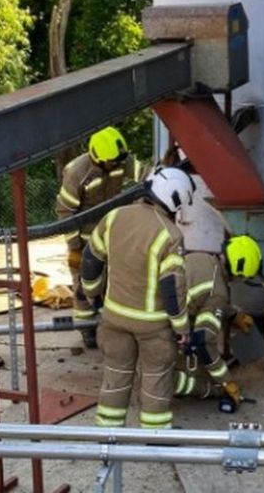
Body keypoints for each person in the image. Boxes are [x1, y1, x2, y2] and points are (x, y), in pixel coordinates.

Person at [79, 166, 196, 429]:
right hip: (153, 327)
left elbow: (90, 260)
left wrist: (92, 294)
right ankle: (155, 438)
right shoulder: (170, 235)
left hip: (114, 318)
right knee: (155, 379)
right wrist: (182, 328)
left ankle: (109, 437)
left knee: (116, 376)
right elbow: (172, 288)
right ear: (174, 200)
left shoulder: (113, 217)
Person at [55, 126, 145, 347]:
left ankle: (112, 324)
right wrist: (74, 248)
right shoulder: (77, 172)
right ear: (98, 158)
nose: (118, 166)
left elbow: (145, 175)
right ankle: (87, 331)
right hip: (86, 242)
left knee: (114, 281)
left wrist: (163, 171)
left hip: (113, 236)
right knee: (83, 287)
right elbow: (65, 212)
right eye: (113, 163)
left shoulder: (120, 160)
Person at [174, 235, 262, 413]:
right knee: (173, 382)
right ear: (239, 273)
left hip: (149, 318)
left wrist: (233, 313)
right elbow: (204, 341)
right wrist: (226, 381)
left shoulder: (202, 258)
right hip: (155, 336)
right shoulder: (219, 292)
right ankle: (206, 389)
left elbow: (203, 298)